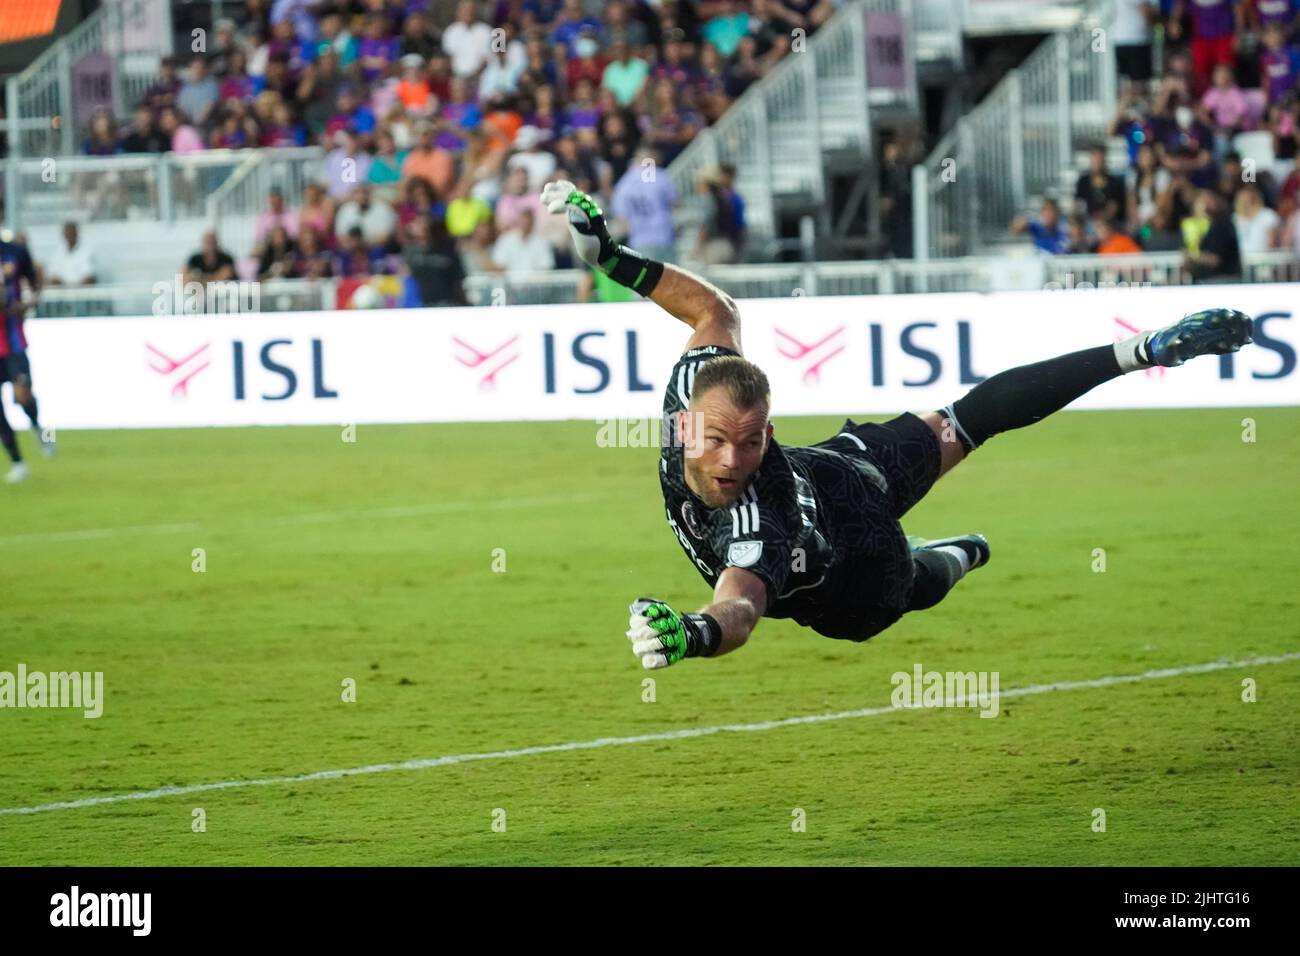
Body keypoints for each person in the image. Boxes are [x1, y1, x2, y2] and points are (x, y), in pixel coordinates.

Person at [538, 179, 1256, 667]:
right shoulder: (694, 385)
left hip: (846, 514)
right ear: (683, 422)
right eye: (718, 440)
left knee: (954, 453)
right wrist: (613, 260)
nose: (733, 459)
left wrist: (694, 633)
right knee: (936, 505)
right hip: (851, 522)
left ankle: (1142, 352)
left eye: (753, 441)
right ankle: (958, 551)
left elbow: (740, 609)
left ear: (768, 430)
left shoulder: (758, 511)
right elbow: (715, 312)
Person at [1, 234, 52, 480]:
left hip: (13, 342)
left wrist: (30, 302)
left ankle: (41, 430)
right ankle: (18, 462)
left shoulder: (15, 251)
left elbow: (36, 276)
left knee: (23, 394)